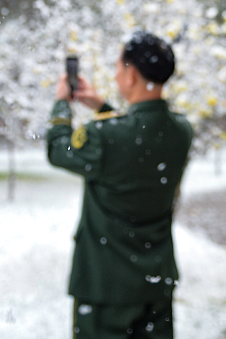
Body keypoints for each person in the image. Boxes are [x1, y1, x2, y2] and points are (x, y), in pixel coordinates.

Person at [46, 31, 195, 339]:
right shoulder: (182, 131)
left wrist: (62, 105)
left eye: (118, 67)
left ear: (131, 74)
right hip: (156, 283)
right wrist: (102, 106)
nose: (115, 75)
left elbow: (58, 150)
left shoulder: (103, 136)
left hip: (106, 286)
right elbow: (137, 141)